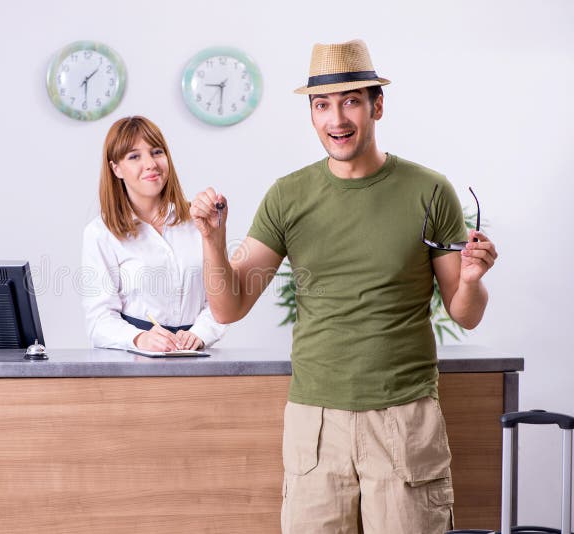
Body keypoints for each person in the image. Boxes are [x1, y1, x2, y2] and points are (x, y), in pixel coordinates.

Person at [190, 40, 498, 533]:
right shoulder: (288, 196)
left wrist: (473, 278)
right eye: (322, 104)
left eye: (351, 100)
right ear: (311, 114)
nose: (337, 118)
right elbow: (228, 308)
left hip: (404, 419)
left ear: (378, 105)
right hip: (316, 424)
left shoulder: (429, 191)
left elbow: (465, 312)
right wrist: (212, 240)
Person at [82, 115, 226, 351]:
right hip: (133, 361)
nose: (150, 164)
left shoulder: (198, 221)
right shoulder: (100, 233)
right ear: (116, 168)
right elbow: (99, 320)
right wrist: (140, 339)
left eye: (157, 152)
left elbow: (220, 297)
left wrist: (200, 333)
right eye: (134, 156)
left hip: (195, 358)